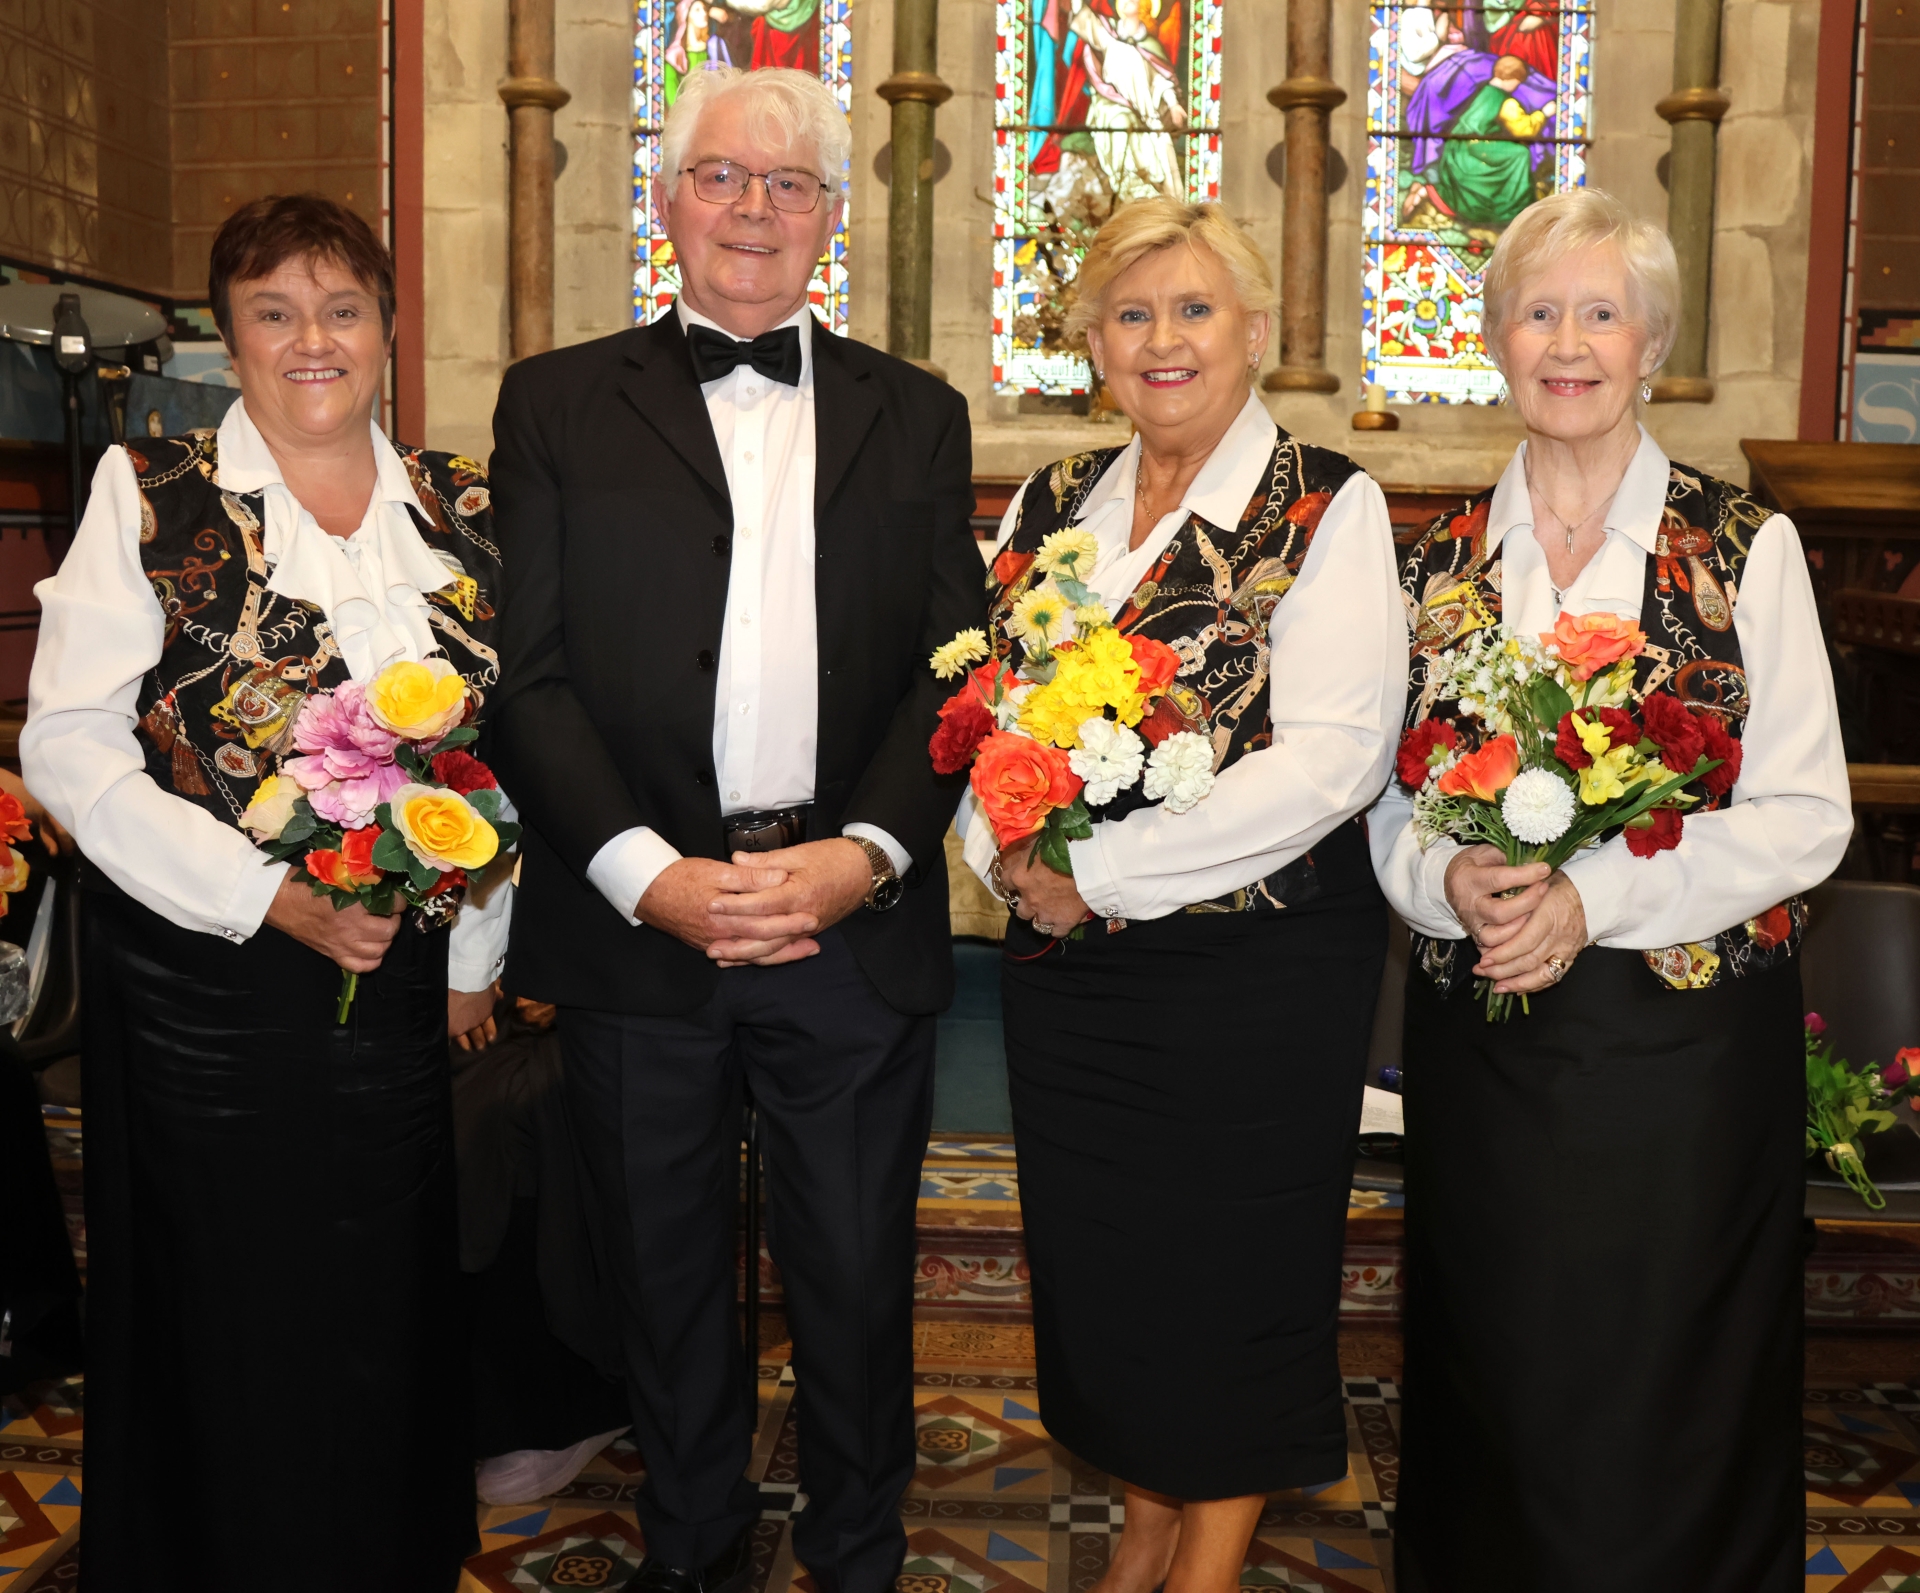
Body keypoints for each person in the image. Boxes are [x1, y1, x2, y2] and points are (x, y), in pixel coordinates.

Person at [488, 66, 977, 1593]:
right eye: (721, 176)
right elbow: (528, 676)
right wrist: (649, 878)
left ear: (831, 217)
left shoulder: (920, 414)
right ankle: (691, 1548)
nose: (754, 210)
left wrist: (865, 855)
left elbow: (953, 674)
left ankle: (857, 1553)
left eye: (789, 184)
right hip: (640, 930)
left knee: (855, 1277)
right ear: (665, 198)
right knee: (665, 1274)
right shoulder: (556, 402)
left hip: (848, 924)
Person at [21, 194, 511, 1592]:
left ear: (389, 328)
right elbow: (68, 740)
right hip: (207, 979)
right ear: (229, 340)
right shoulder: (151, 489)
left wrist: (475, 951)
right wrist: (266, 896)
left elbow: (499, 748)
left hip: (393, 976)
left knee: (384, 1286)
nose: (313, 341)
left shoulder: (464, 503)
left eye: (343, 309)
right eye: (274, 313)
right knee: (231, 1298)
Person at [1370, 187, 1850, 1593]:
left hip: (1682, 1060)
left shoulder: (1744, 548)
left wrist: (1598, 901)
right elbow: (1381, 805)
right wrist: (1445, 875)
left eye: (1600, 314)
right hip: (1487, 1054)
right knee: (1496, 1362)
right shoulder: (1438, 562)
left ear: (1653, 346)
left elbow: (1807, 816)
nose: (1567, 344)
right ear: (1496, 340)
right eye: (1537, 312)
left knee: (1668, 1378)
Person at [969, 198, 1405, 1593]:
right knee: (1110, 1271)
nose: (1165, 338)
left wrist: (1093, 872)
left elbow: (1334, 762)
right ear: (1094, 345)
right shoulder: (1053, 505)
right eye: (1132, 313)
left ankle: (1204, 1565)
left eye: (1196, 308)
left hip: (1254, 977)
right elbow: (981, 709)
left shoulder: (1327, 503)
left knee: (1231, 1272)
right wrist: (1001, 850)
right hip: (1075, 978)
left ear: (1257, 332)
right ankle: (1149, 1521)